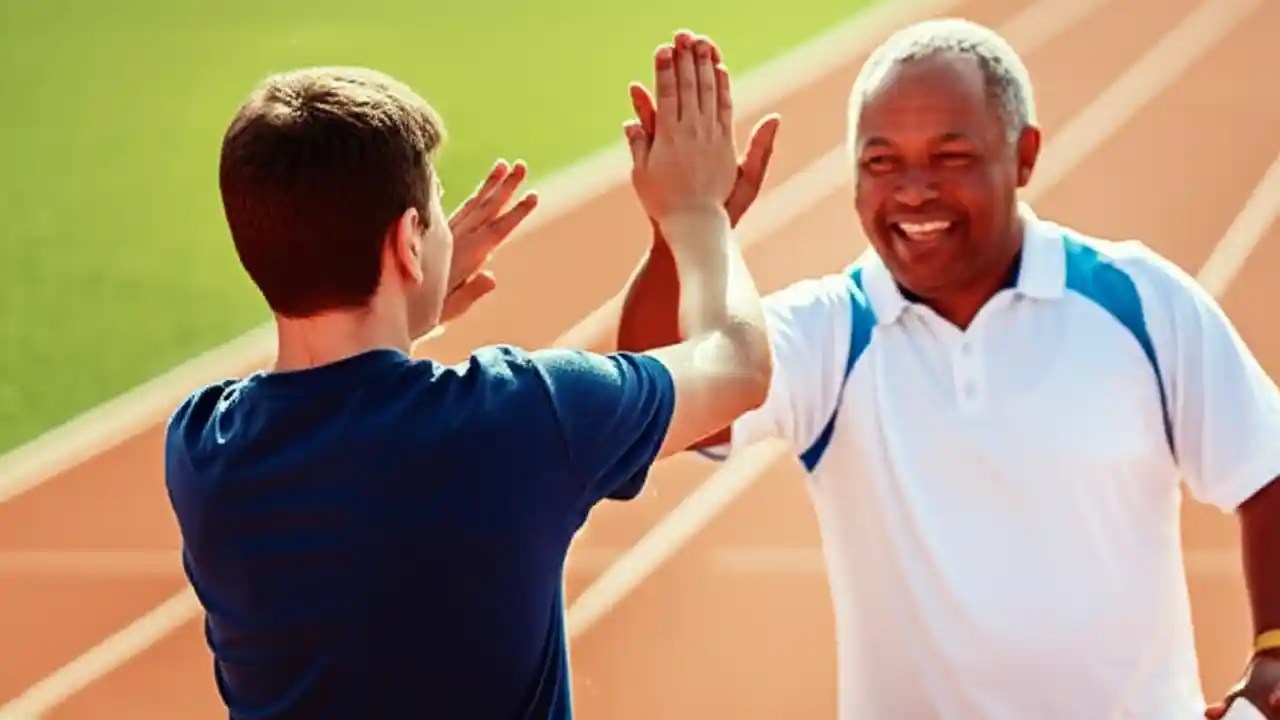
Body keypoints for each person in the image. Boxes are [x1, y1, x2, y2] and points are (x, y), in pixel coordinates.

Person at [617, 21, 1280, 720]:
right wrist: (682, 229)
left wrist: (1274, 649)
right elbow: (663, 408)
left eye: (950, 156)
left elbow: (1267, 465)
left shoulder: (1139, 301)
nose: (912, 191)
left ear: (1023, 155)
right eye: (880, 163)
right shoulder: (834, 331)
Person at [163, 34, 773, 720]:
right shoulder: (524, 418)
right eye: (437, 208)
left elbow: (329, 395)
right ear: (407, 241)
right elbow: (738, 362)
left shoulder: (199, 448)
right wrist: (698, 213)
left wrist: (400, 296)